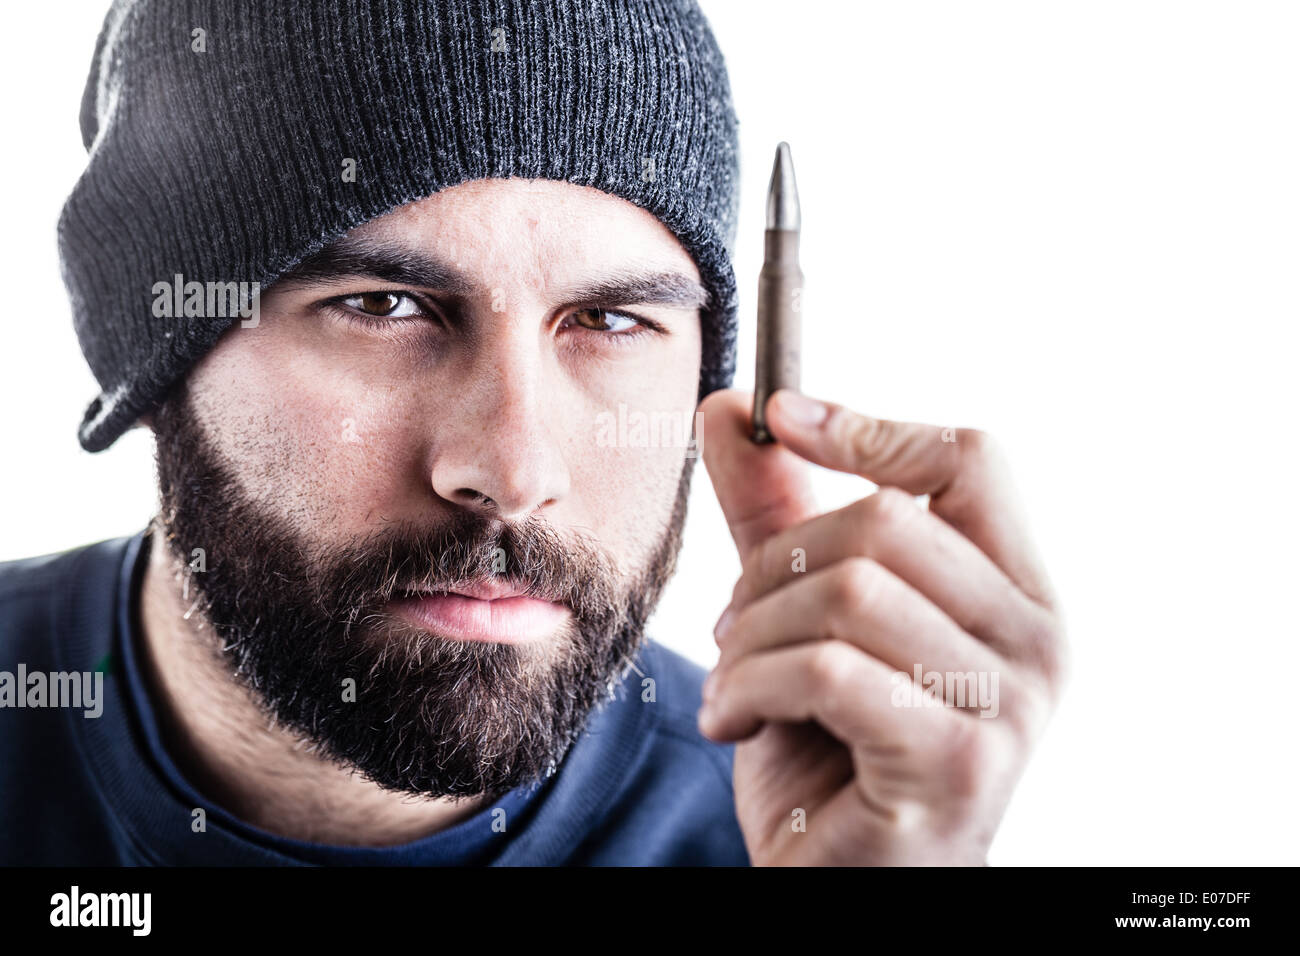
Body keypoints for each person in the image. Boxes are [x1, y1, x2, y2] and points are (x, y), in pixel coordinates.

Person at [0, 0, 1066, 866]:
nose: (515, 470)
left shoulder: (798, 829)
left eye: (609, 321)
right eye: (382, 305)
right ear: (147, 358)